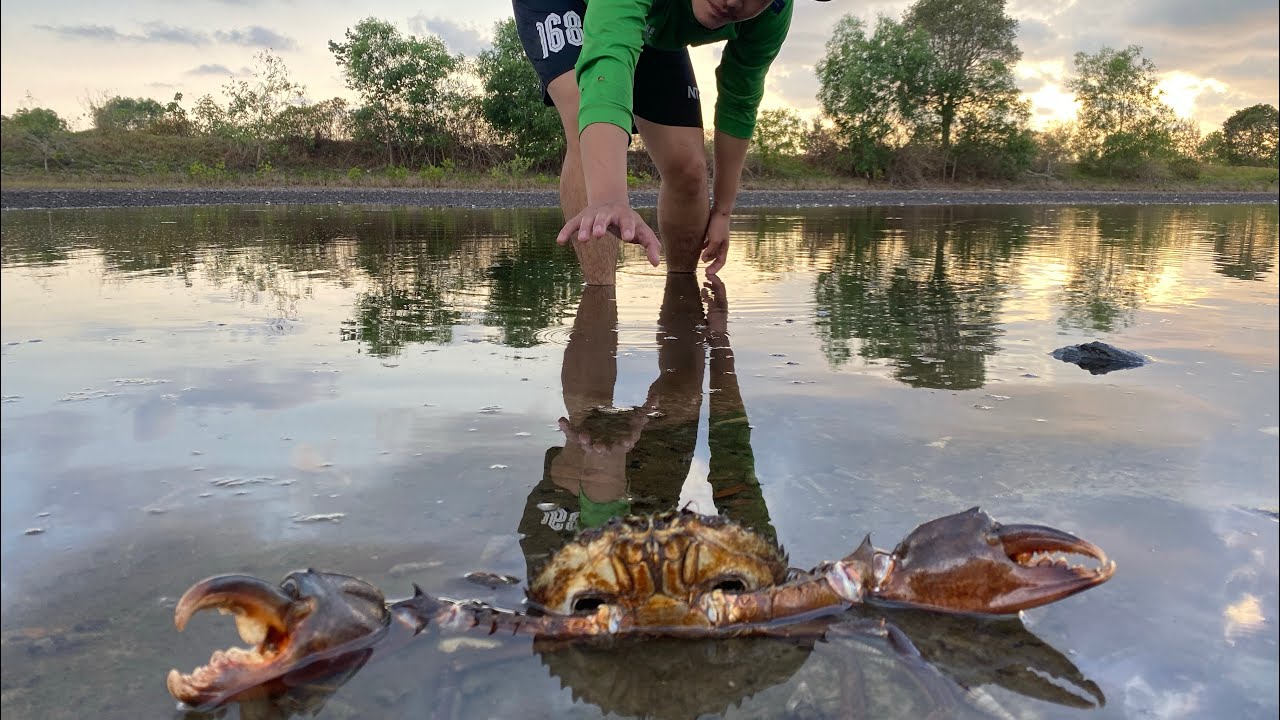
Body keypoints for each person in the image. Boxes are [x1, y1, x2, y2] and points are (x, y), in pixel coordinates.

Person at [512, 0, 811, 284]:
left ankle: (684, 312)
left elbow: (740, 103)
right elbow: (610, 53)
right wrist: (608, 199)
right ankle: (599, 321)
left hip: (652, 14)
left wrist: (722, 212)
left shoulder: (773, 12)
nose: (733, 2)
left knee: (688, 167)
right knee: (582, 110)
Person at [518, 274, 775, 581]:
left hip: (570, 531)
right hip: (653, 497)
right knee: (681, 393)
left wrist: (603, 465)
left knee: (590, 421)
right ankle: (660, 275)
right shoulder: (760, 575)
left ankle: (599, 282)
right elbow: (736, 477)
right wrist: (719, 344)